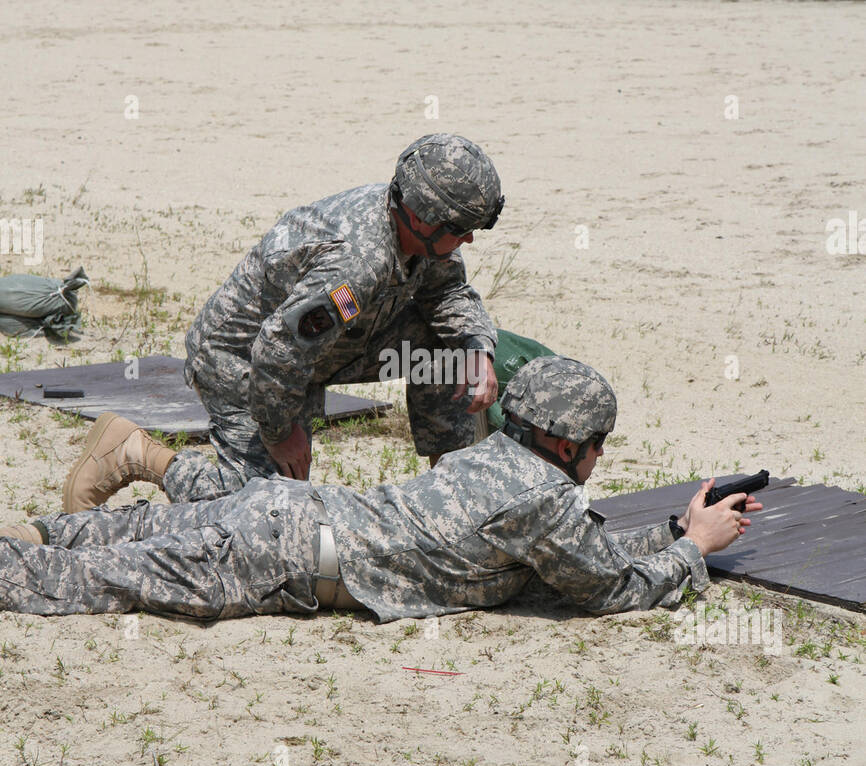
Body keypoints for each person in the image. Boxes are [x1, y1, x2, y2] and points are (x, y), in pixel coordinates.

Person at [0, 357, 761, 623]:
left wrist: (674, 528)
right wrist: (695, 549)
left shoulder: (487, 455)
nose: (596, 461)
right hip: (289, 555)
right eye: (596, 447)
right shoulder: (546, 501)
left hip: (280, 514)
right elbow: (605, 590)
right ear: (568, 445)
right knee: (77, 584)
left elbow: (581, 552)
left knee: (78, 538)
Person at [62, 133, 505, 513]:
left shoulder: (421, 230)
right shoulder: (356, 262)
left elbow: (446, 294)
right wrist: (279, 432)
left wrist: (478, 349)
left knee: (452, 346)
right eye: (460, 227)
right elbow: (277, 350)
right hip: (244, 361)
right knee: (262, 510)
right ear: (420, 215)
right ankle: (135, 453)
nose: (467, 239)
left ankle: (453, 490)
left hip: (320, 350)